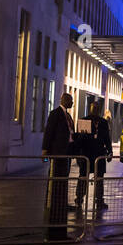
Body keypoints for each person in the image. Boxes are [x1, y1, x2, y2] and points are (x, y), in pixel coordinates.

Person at [41, 93, 78, 235]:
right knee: (55, 176)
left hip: (66, 151)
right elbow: (49, 132)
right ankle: (51, 201)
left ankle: (61, 200)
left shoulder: (67, 115)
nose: (73, 103)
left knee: (64, 177)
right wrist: (45, 150)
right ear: (65, 100)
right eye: (71, 101)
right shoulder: (56, 114)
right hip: (58, 152)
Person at [76, 100, 113, 212]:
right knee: (83, 177)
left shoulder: (103, 122)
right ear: (90, 108)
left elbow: (107, 138)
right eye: (93, 107)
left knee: (100, 179)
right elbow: (78, 140)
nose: (95, 109)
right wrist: (78, 154)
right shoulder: (84, 120)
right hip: (86, 154)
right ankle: (79, 199)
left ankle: (99, 200)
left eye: (97, 107)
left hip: (99, 154)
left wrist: (109, 151)